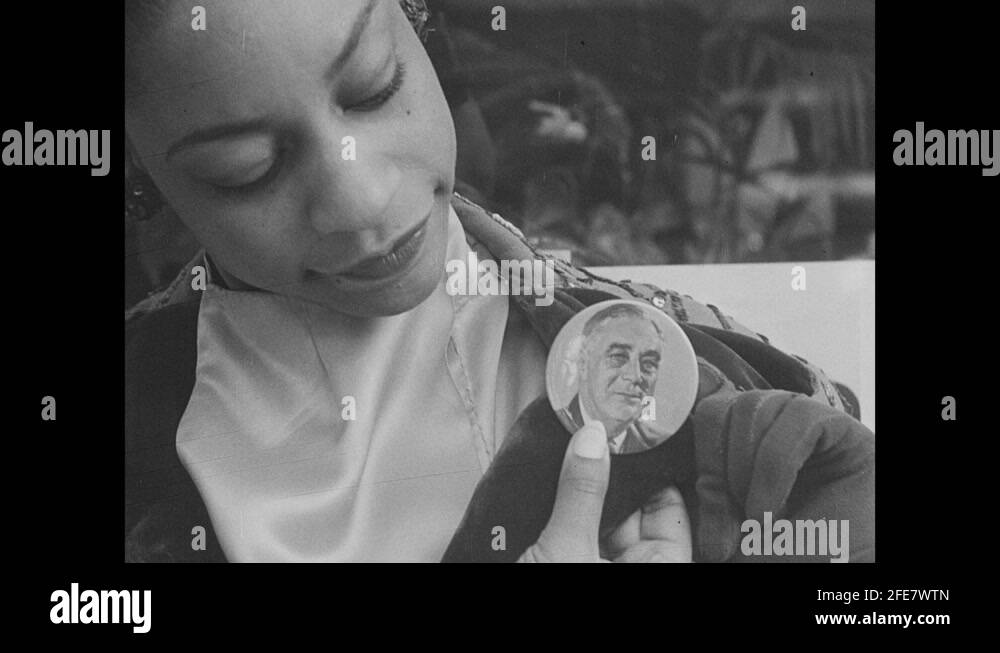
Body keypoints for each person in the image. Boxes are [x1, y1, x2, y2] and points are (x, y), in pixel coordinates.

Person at [125, 0, 872, 563]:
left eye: (374, 88)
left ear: (419, 30)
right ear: (140, 176)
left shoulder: (675, 364)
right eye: (247, 169)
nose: (363, 203)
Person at [558, 304, 662, 454]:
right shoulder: (541, 429)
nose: (636, 376)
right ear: (583, 364)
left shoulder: (664, 446)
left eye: (648, 363)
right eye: (618, 356)